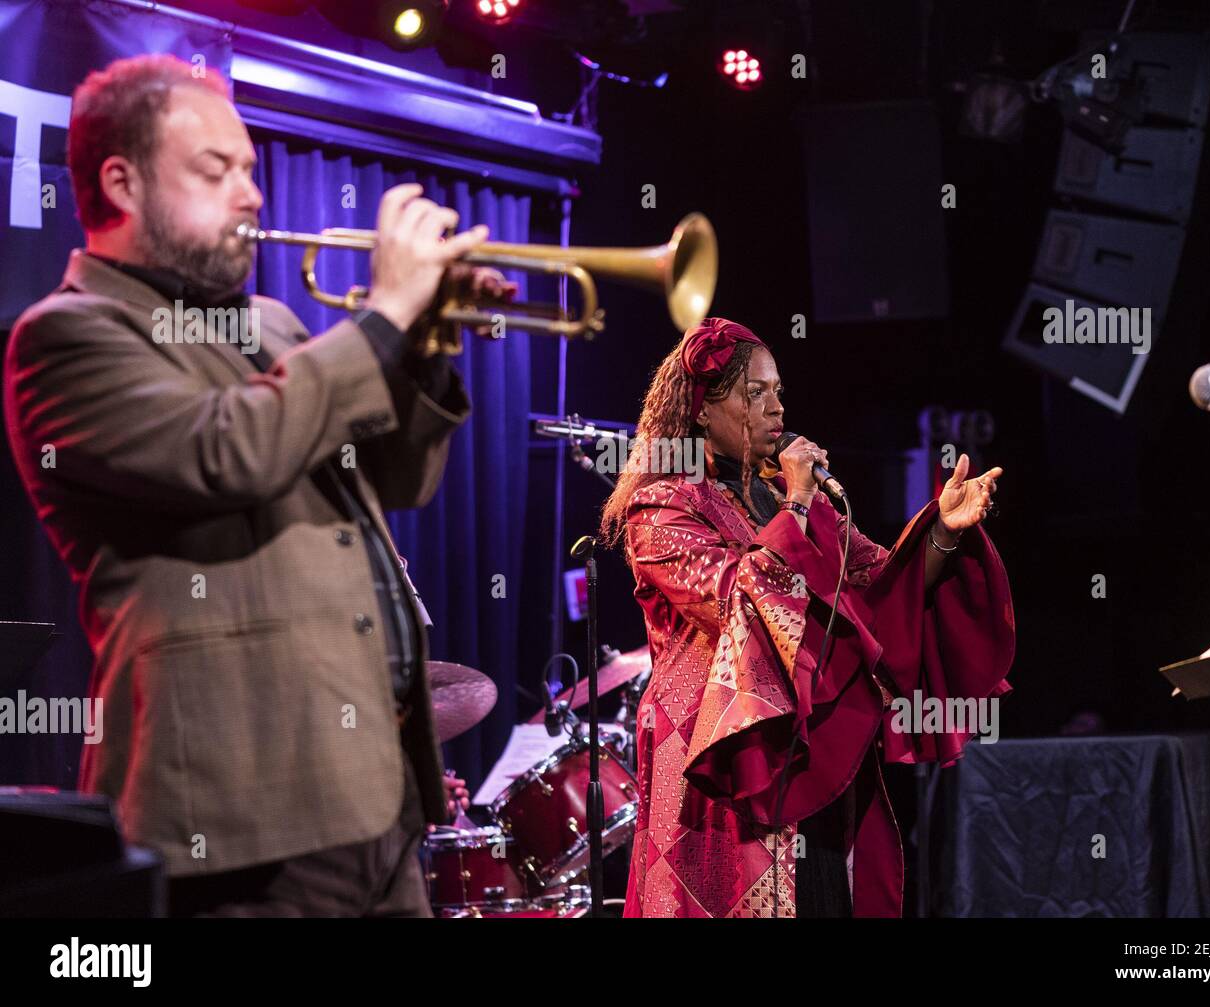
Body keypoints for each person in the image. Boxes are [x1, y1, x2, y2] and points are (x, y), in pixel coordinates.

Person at [3, 54, 507, 916]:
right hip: (241, 817)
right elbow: (223, 453)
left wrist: (425, 344)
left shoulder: (269, 324)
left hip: (380, 803)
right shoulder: (64, 338)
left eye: (250, 169)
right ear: (121, 183)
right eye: (215, 170)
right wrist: (380, 321)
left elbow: (395, 479)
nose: (253, 194)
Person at [599, 317, 1015, 917]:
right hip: (719, 759)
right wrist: (796, 503)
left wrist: (944, 531)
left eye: (778, 391)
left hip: (806, 757)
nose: (777, 408)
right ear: (700, 412)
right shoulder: (661, 506)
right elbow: (741, 599)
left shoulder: (789, 497)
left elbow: (880, 585)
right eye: (755, 394)